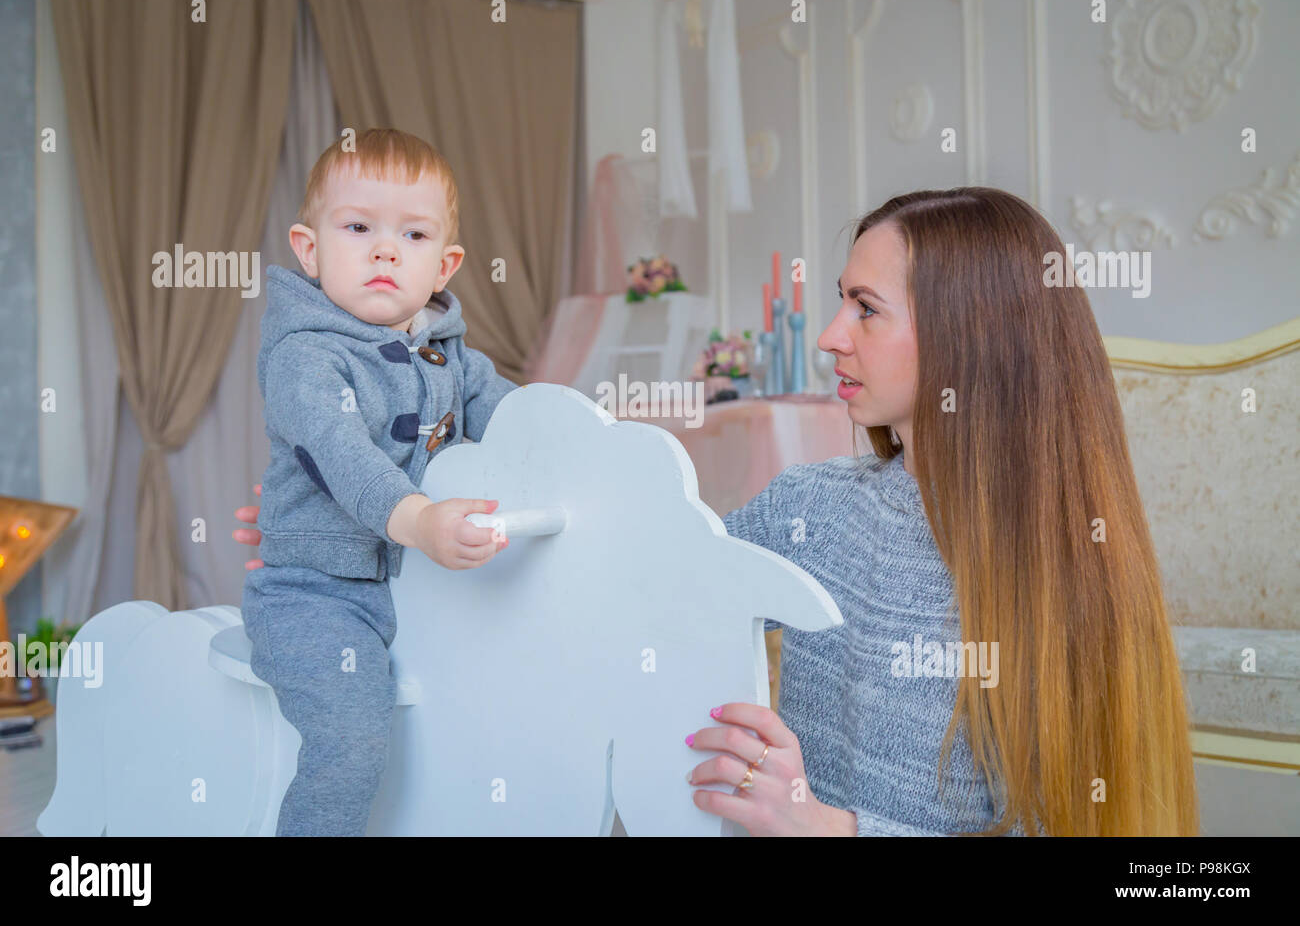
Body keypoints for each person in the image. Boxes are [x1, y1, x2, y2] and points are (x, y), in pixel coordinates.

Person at [237, 186, 1199, 836]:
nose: (829, 336)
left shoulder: (1071, 569)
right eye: (838, 302)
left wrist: (830, 828)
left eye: (866, 309)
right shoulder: (808, 508)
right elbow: (607, 590)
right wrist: (350, 525)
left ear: (970, 334)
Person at [240, 128, 517, 836]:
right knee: (351, 739)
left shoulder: (452, 357)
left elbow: (521, 424)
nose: (385, 250)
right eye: (358, 226)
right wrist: (422, 520)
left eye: (414, 234)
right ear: (309, 249)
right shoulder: (305, 357)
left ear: (445, 264)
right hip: (316, 598)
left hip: (423, 591)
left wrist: (588, 443)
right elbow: (347, 459)